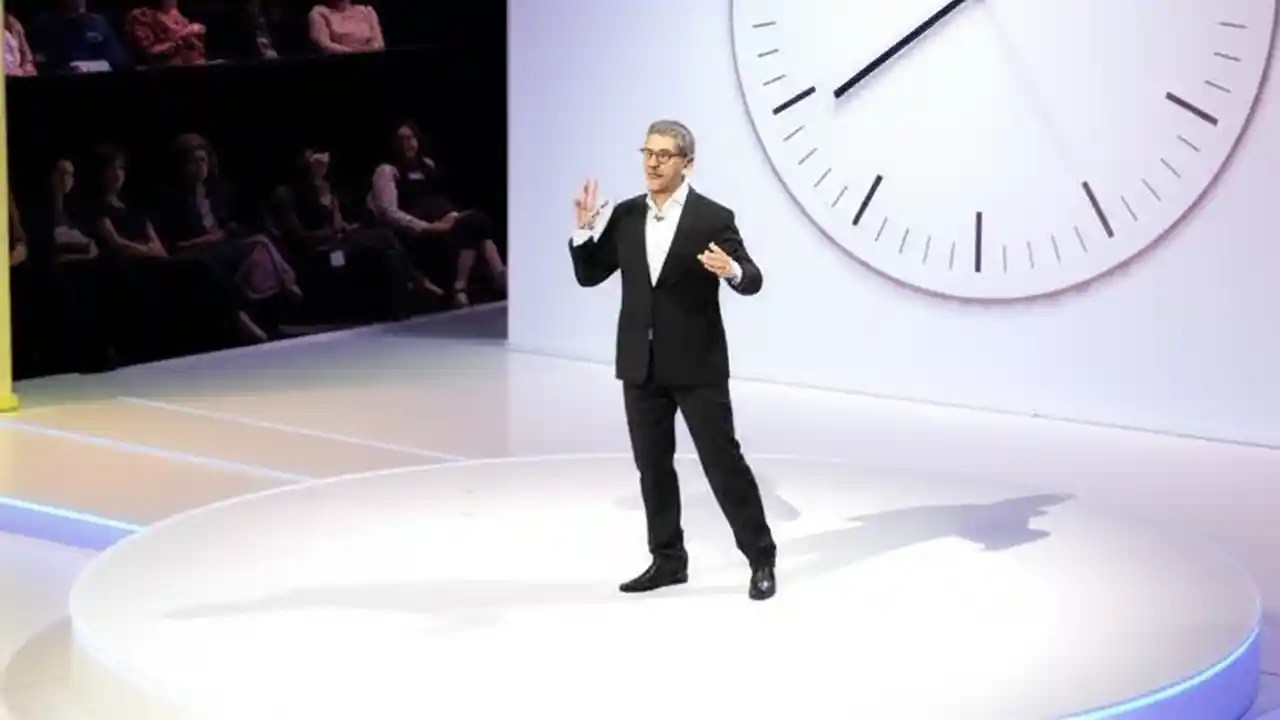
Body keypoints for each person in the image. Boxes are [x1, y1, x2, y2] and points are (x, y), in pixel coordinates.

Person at [568, 120, 777, 600]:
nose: (653, 163)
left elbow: (753, 278)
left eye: (664, 155)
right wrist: (583, 232)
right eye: (648, 152)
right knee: (653, 467)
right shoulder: (625, 215)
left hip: (697, 365)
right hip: (640, 365)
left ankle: (760, 557)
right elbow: (590, 275)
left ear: (687, 163)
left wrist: (732, 270)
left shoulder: (712, 218)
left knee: (722, 463)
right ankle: (667, 560)